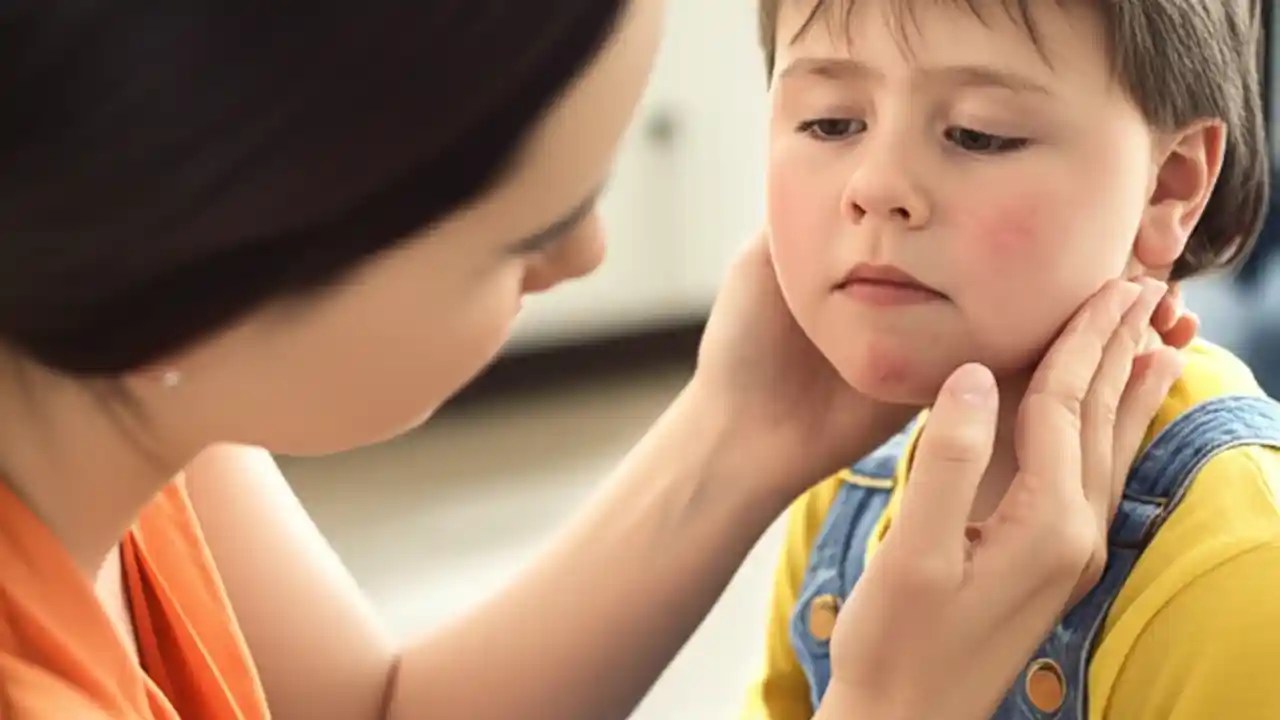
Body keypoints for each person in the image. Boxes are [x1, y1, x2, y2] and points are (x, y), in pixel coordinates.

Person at [0, 2, 1191, 719]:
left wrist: (736, 442)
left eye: (978, 133)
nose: (583, 255)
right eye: (520, 237)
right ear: (214, 238)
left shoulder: (115, 396)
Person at [743, 1, 1278, 719]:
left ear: (1168, 185)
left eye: (978, 134)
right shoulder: (845, 479)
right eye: (831, 122)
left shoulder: (1244, 570)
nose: (875, 188)